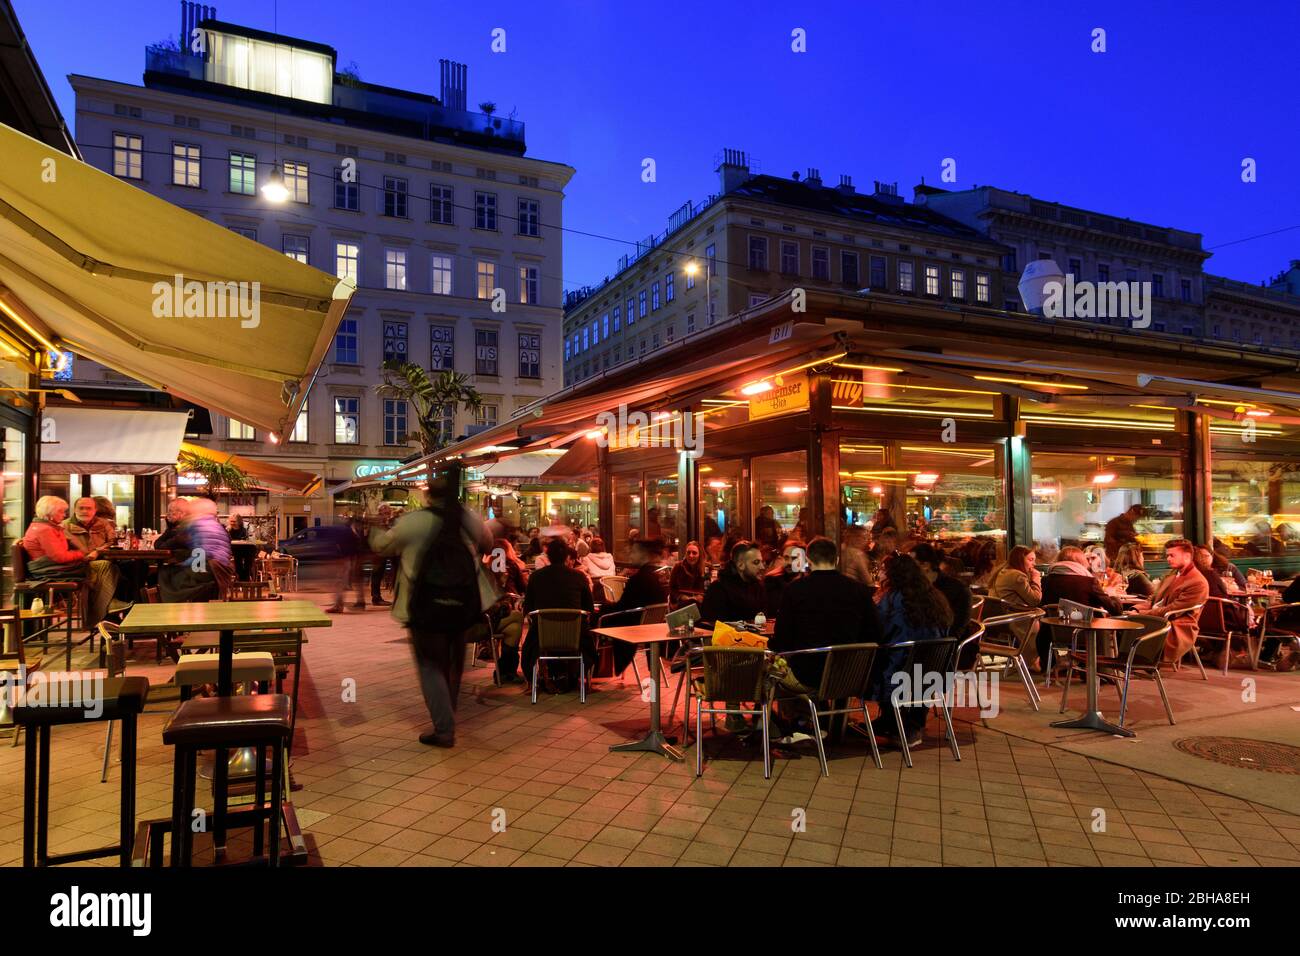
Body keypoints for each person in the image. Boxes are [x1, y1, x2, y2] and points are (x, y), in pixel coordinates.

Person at [370, 478, 491, 745]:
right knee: (454, 664)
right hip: (462, 603)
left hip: (424, 604)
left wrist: (374, 529)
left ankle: (444, 728)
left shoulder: (414, 521)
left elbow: (382, 546)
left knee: (430, 665)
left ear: (428, 496)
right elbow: (488, 541)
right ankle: (449, 714)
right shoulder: (467, 518)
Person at [769, 536, 882, 738]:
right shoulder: (858, 590)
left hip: (807, 676)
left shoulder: (795, 590)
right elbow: (875, 632)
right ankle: (825, 723)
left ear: (808, 560)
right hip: (851, 674)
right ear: (836, 559)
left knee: (770, 670)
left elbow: (782, 639)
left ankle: (781, 725)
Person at [871, 553, 953, 749]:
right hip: (934, 668)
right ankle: (907, 723)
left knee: (864, 664)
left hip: (901, 666)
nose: (879, 574)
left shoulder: (892, 600)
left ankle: (900, 723)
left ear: (892, 575)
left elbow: (878, 630)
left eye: (882, 570)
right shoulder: (934, 597)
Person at [517, 536, 597, 688]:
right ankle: (577, 675)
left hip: (542, 636)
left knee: (531, 640)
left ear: (548, 556)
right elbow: (589, 608)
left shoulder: (536, 577)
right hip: (575, 636)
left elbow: (528, 608)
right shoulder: (579, 577)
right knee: (588, 636)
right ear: (567, 557)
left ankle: (540, 678)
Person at [1040, 545, 1122, 673]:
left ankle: (1060, 664)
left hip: (1053, 632)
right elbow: (1115, 609)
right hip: (1085, 634)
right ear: (1081, 562)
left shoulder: (1045, 581)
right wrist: (1112, 594)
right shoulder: (1088, 582)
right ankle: (1102, 670)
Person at [600, 538, 668, 676]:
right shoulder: (654, 578)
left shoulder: (639, 580)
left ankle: (593, 670)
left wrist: (604, 607)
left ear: (643, 555)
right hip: (649, 628)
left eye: (634, 552)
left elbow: (623, 609)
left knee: (594, 621)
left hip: (632, 627)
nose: (631, 555)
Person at [1135, 539, 1209, 663]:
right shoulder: (1173, 575)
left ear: (1187, 556)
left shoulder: (1197, 582)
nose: (1168, 559)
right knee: (1122, 621)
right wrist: (1136, 609)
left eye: (1172, 555)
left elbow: (1173, 610)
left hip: (1177, 625)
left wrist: (1140, 615)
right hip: (1158, 618)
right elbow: (1153, 600)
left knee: (1127, 626)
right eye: (1167, 555)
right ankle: (1123, 664)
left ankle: (1131, 663)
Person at [62, 496, 121, 629]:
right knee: (108, 568)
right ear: (74, 509)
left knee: (128, 569)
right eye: (81, 508)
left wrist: (97, 551)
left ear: (95, 510)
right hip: (78, 565)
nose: (84, 511)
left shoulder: (103, 524)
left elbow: (113, 541)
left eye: (88, 508)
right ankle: (102, 616)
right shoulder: (64, 526)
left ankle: (113, 611)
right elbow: (61, 550)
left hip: (101, 560)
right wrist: (84, 556)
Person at [159, 498, 233, 602]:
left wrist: (184, 563)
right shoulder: (217, 526)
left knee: (167, 574)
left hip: (206, 568)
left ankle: (173, 604)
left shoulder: (195, 525)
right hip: (222, 571)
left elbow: (199, 553)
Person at [986, 545, 1043, 667]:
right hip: (1013, 619)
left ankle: (1033, 661)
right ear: (1020, 559)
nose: (1034, 564)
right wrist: (1036, 580)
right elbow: (1035, 600)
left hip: (998, 618)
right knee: (1044, 623)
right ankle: (1035, 662)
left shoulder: (1002, 571)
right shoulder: (1017, 576)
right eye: (1031, 560)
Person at [22, 497, 92, 591]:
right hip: (48, 570)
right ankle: (96, 600)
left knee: (96, 567)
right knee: (97, 568)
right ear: (49, 513)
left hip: (49, 567)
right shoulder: (45, 530)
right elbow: (60, 557)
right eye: (61, 512)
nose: (64, 515)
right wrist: (82, 554)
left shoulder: (42, 526)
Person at [1193, 546, 1249, 661]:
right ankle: (1236, 651)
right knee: (1245, 612)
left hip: (1198, 619)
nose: (1205, 559)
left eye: (1207, 555)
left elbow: (1243, 586)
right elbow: (1224, 596)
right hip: (1223, 620)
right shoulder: (1211, 574)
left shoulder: (1193, 575)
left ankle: (1215, 651)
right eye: (1203, 556)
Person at [913, 542, 974, 641]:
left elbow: (956, 631)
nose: (905, 568)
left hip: (944, 646)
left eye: (910, 565)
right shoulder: (914, 588)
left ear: (925, 565)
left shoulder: (958, 590)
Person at [701, 541, 766, 626]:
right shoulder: (718, 589)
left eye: (762, 562)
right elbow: (712, 626)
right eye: (756, 562)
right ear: (740, 565)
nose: (762, 567)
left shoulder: (758, 587)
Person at [762, 540, 808, 618]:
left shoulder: (809, 582)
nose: (789, 562)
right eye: (786, 558)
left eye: (794, 558)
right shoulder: (771, 580)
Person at [669, 540, 708, 609]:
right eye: (688, 552)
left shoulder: (707, 568)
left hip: (701, 605)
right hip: (681, 604)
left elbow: (710, 589)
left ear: (700, 555)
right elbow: (671, 588)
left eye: (694, 553)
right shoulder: (678, 567)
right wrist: (681, 597)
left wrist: (702, 597)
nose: (691, 555)